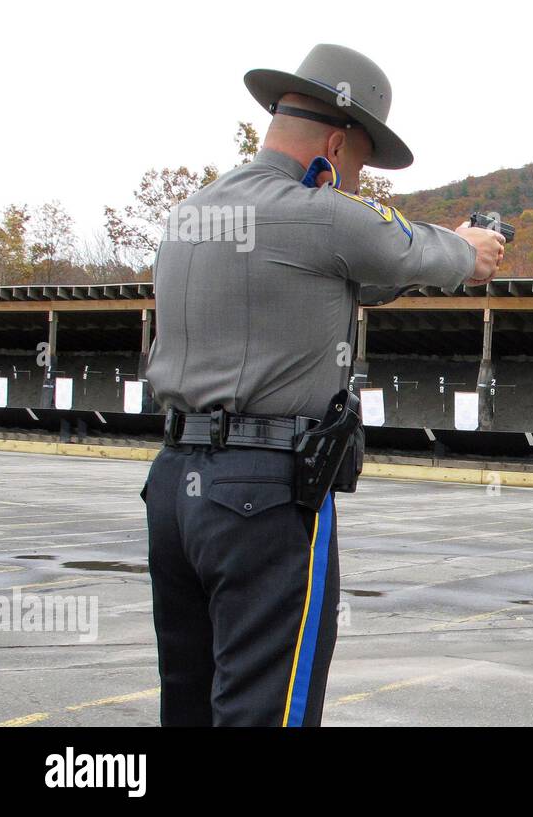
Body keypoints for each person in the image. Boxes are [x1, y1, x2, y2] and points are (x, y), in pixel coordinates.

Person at [141, 43, 504, 726]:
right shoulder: (322, 212)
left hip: (174, 489)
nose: (356, 181)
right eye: (360, 164)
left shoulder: (192, 216)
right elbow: (420, 253)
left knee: (187, 700)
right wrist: (470, 246)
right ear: (336, 143)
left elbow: (344, 275)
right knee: (268, 707)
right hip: (262, 494)